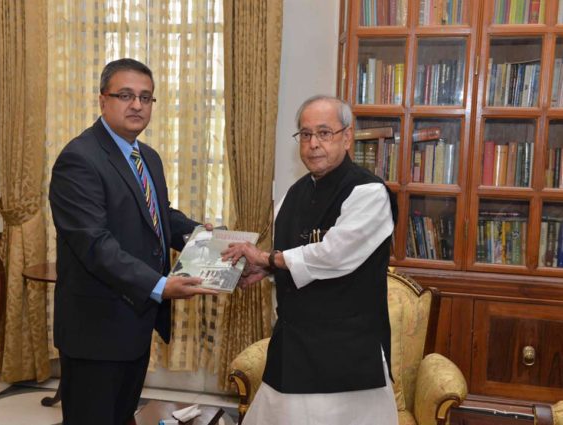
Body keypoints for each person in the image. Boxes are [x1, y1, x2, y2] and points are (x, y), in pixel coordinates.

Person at [49, 58, 218, 425]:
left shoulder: (148, 157)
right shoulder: (79, 158)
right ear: (102, 100)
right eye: (125, 95)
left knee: (122, 416)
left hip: (135, 325)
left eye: (146, 97)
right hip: (96, 331)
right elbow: (95, 245)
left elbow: (159, 217)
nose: (137, 105)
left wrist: (204, 237)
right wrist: (160, 286)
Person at [222, 95, 399, 425]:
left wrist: (267, 258)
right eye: (305, 134)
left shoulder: (369, 192)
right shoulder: (293, 194)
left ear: (347, 137)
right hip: (293, 348)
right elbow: (295, 259)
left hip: (347, 356)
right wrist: (266, 269)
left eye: (324, 133)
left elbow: (333, 256)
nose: (313, 144)